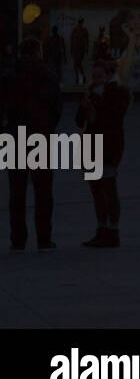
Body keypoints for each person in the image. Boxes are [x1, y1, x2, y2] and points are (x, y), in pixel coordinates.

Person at [4, 38, 61, 251]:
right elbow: (56, 107)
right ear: (38, 51)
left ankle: (18, 238)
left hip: (15, 135)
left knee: (16, 190)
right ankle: (44, 237)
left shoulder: (10, 75)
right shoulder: (48, 74)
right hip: (40, 134)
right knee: (43, 189)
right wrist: (48, 128)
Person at [77, 60, 130, 248]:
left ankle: (113, 231)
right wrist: (84, 106)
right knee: (96, 190)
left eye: (99, 76)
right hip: (91, 145)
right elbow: (80, 121)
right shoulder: (91, 93)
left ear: (108, 75)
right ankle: (101, 230)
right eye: (94, 77)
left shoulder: (118, 93)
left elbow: (113, 118)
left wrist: (94, 106)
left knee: (109, 188)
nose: (96, 80)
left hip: (109, 146)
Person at [70, 18, 89, 86]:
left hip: (80, 49)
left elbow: (87, 40)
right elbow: (72, 40)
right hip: (77, 49)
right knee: (76, 64)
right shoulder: (75, 30)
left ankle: (80, 76)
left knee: (77, 63)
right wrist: (71, 49)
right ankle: (79, 77)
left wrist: (87, 48)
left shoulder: (83, 30)